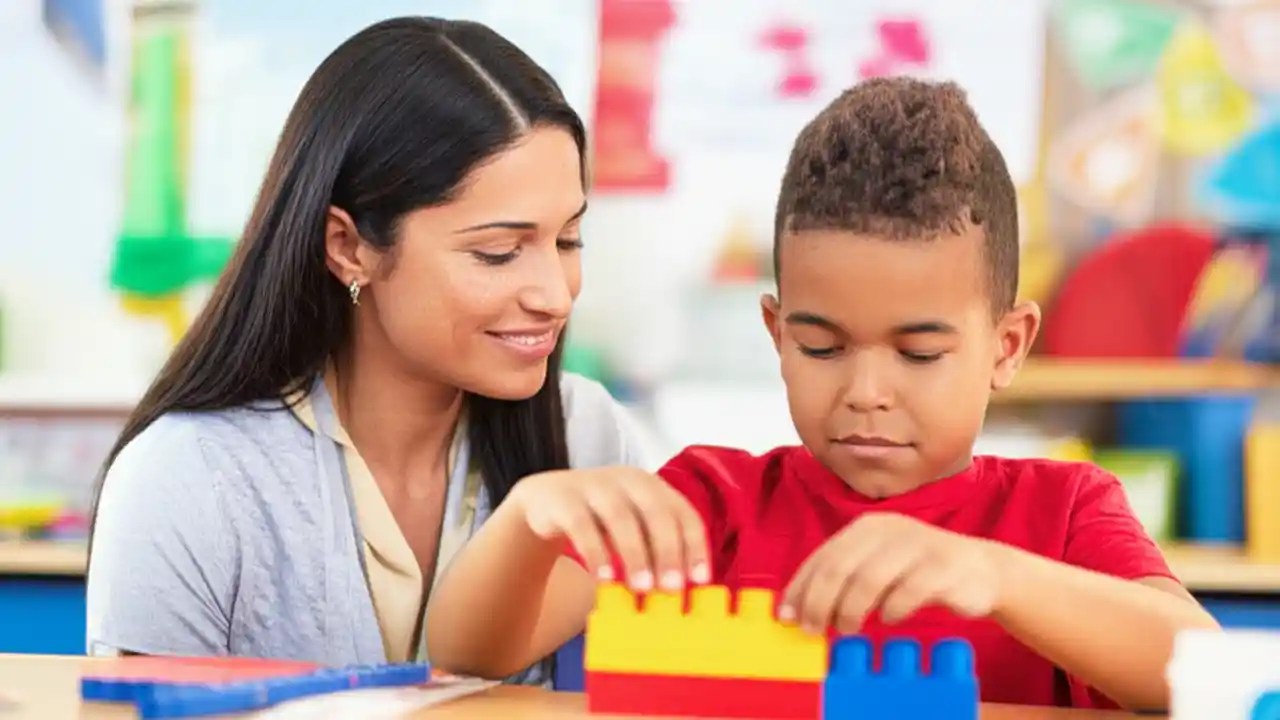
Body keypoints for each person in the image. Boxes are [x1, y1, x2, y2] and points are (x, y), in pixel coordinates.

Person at [423, 77, 1221, 710]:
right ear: (776, 334)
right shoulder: (714, 502)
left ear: (1005, 347)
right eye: (821, 346)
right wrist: (527, 519)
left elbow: (1205, 673)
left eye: (919, 352)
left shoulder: (1066, 510)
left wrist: (998, 576)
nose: (866, 392)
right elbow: (473, 657)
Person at [85, 17, 653, 684]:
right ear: (348, 246)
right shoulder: (190, 477)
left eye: (568, 240)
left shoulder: (587, 438)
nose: (555, 295)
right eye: (498, 252)